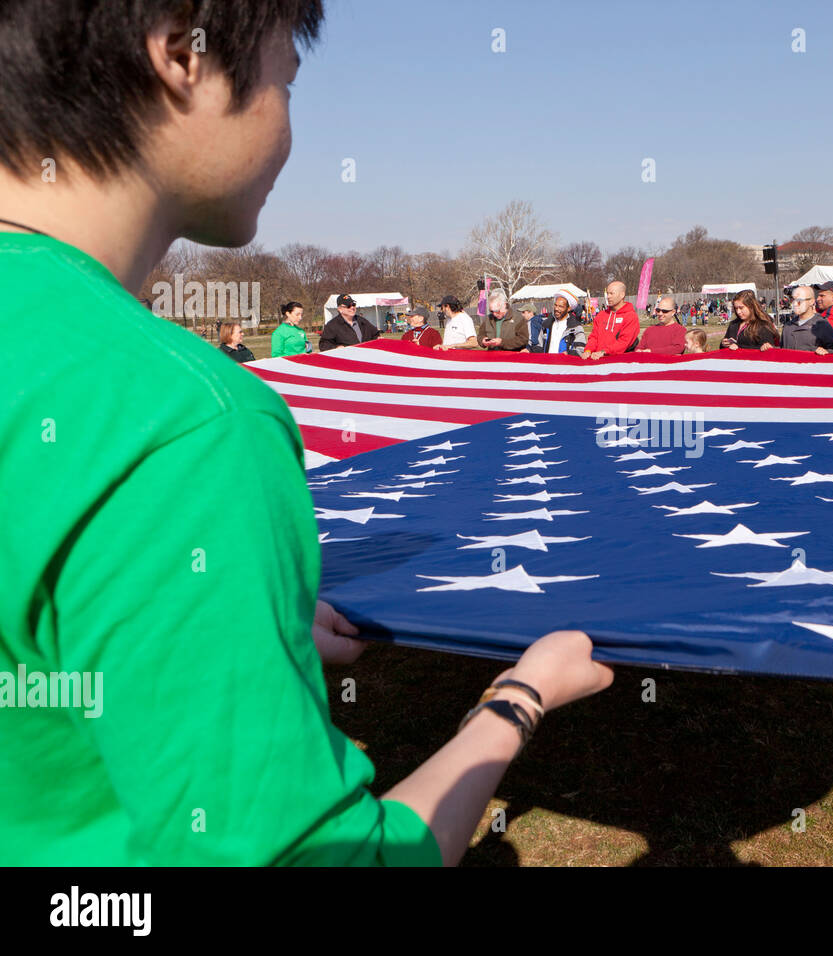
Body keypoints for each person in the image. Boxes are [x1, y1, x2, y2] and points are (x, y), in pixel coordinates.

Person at [0, 0, 613, 867]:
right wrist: (516, 700)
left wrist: (246, 621)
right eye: (286, 81)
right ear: (184, 56)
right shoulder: (185, 422)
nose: (291, 131)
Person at [769, 285, 833, 353]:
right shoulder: (788, 327)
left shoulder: (822, 325)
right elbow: (783, 352)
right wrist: (771, 349)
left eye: (799, 301)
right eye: (793, 300)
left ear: (811, 301)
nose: (795, 304)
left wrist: (826, 352)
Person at [583, 281, 640, 359]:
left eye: (611, 293)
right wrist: (588, 350)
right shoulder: (601, 315)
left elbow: (624, 342)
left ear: (622, 295)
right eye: (607, 293)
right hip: (597, 359)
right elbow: (594, 337)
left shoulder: (630, 316)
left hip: (618, 362)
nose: (608, 296)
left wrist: (604, 352)